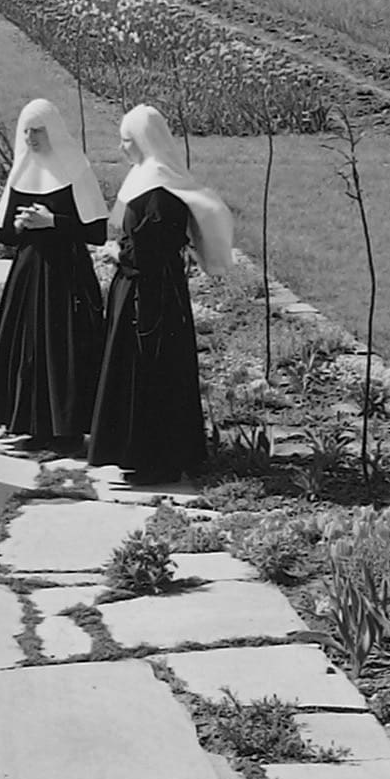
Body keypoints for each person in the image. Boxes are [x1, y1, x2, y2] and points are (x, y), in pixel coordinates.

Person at [82, 104, 236, 490]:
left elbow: (147, 252)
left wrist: (118, 253)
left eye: (127, 140)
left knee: (148, 374)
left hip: (150, 299)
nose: (122, 148)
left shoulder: (157, 191)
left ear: (144, 142)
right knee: (138, 374)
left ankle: (154, 459)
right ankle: (139, 455)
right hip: (142, 293)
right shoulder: (147, 180)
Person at [0, 98, 112, 451]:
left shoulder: (75, 170)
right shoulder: (23, 170)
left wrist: (52, 222)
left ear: (53, 131)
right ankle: (28, 423)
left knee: (63, 348)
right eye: (26, 131)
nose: (31, 138)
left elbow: (96, 232)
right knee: (27, 346)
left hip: (65, 273)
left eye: (38, 130)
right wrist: (19, 225)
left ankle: (67, 429)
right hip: (28, 272)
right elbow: (6, 233)